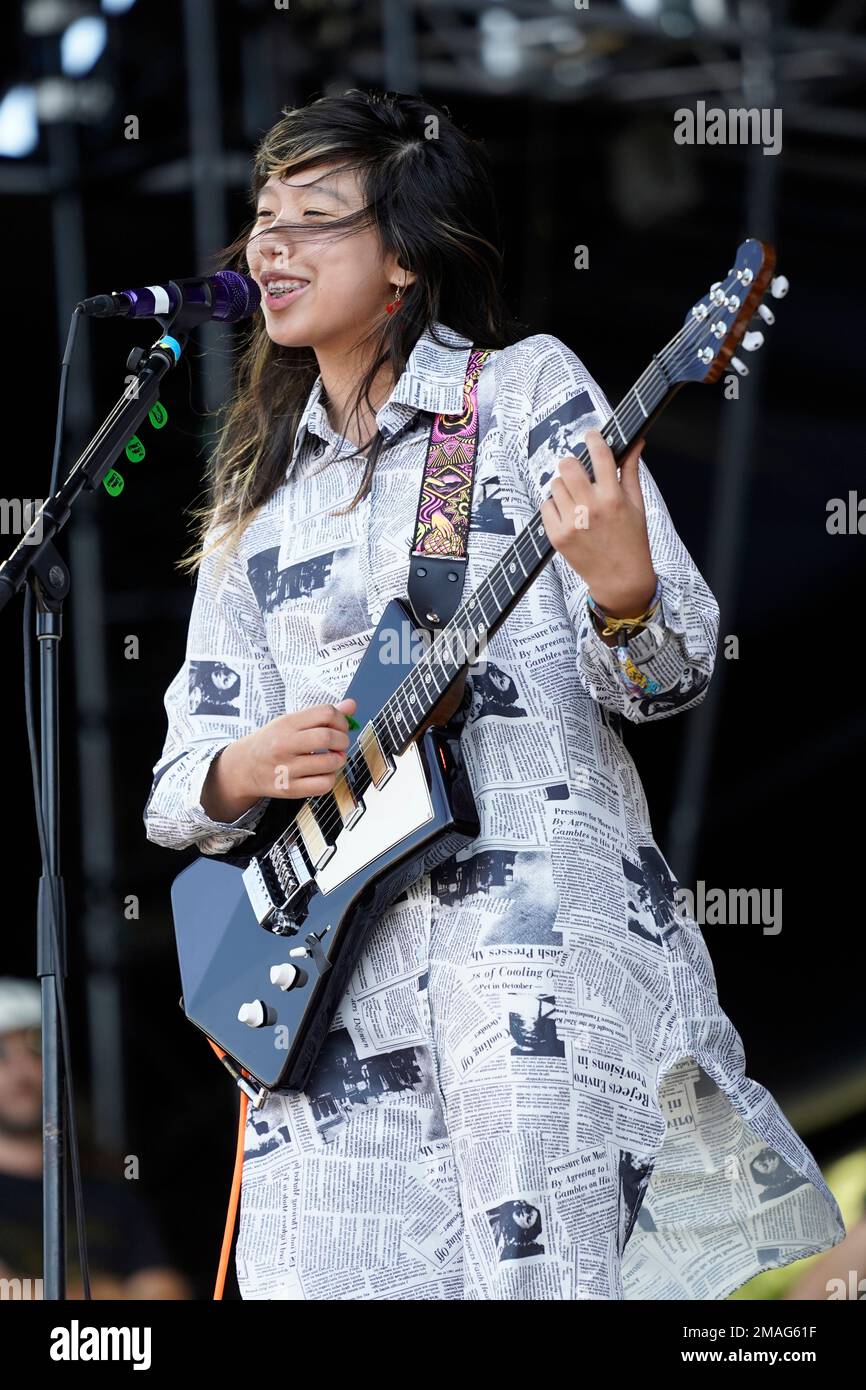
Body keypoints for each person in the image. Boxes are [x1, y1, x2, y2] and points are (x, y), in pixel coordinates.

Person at [143, 89, 845, 1300]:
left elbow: (665, 672)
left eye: (313, 218)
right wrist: (246, 768)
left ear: (402, 255)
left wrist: (623, 592)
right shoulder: (258, 506)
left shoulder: (518, 394)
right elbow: (176, 790)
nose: (270, 247)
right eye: (262, 219)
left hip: (524, 957)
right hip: (331, 1006)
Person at [0, 979, 191, 1299]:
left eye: (37, 1047)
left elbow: (167, 1291)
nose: (23, 1069)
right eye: (1, 1053)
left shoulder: (109, 1192)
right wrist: (110, 1291)